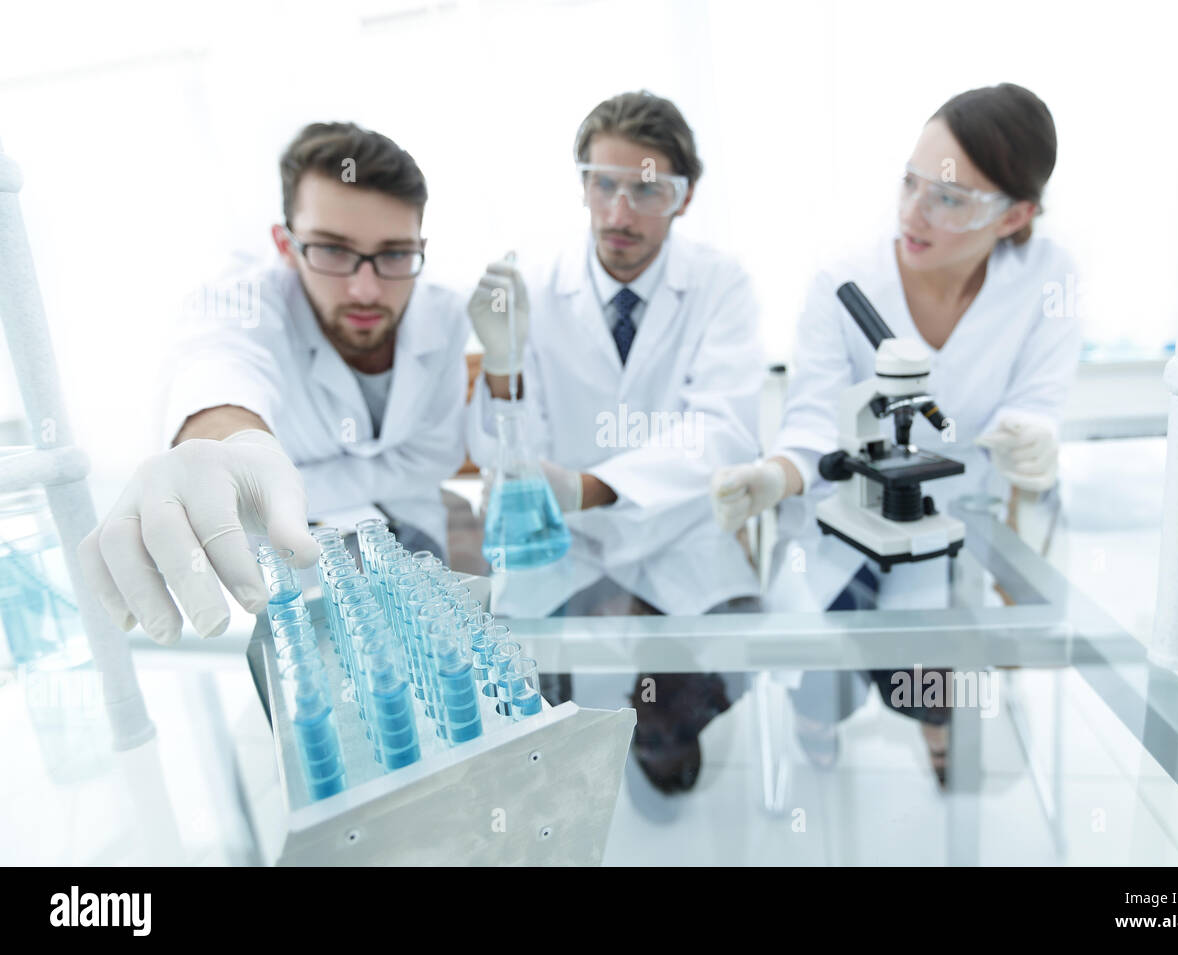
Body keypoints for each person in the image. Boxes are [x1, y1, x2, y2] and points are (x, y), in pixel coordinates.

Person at [710, 83, 1083, 782]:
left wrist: (1034, 439)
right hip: (841, 514)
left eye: (949, 198)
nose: (913, 213)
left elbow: (1036, 401)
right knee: (824, 662)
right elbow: (816, 419)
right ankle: (819, 717)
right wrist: (773, 476)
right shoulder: (844, 282)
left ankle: (937, 730)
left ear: (1015, 216)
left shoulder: (1049, 279)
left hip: (960, 517)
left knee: (932, 679)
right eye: (910, 182)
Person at [465, 91, 765, 794]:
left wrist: (592, 486)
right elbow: (504, 455)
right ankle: (557, 777)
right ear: (583, 184)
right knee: (533, 704)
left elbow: (722, 428)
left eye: (647, 189)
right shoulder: (535, 287)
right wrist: (502, 370)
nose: (619, 213)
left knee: (705, 680)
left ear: (684, 199)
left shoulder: (721, 284)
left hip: (680, 531)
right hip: (567, 542)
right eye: (604, 184)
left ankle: (668, 734)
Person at [78, 122, 469, 645]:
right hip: (305, 573)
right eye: (333, 250)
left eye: (395, 254)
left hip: (425, 547)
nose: (364, 288)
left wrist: (295, 485)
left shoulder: (443, 316)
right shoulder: (241, 302)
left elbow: (434, 459)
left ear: (421, 246)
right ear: (284, 244)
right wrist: (231, 448)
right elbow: (219, 365)